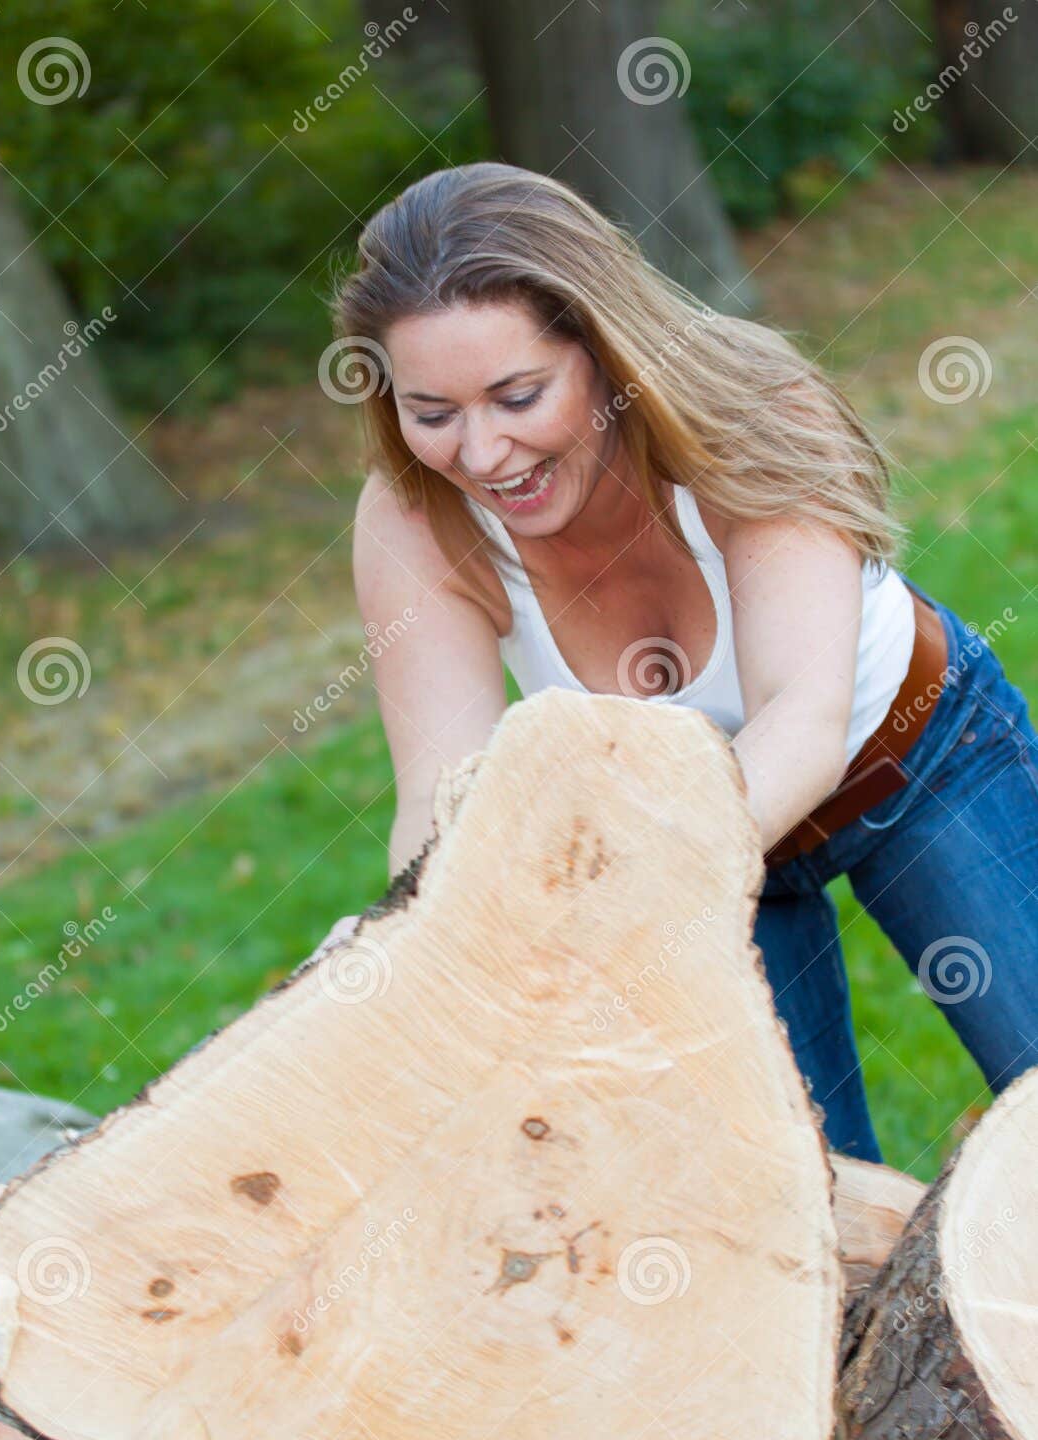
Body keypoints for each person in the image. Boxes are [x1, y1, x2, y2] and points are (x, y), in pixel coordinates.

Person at [315, 160, 1038, 1163]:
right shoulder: (407, 519)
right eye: (431, 411)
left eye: (517, 395)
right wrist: (425, 940)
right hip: (676, 848)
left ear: (604, 353)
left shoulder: (748, 406)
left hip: (912, 759)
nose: (481, 454)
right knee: (789, 1199)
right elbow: (443, 799)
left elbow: (800, 719)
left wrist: (619, 905)